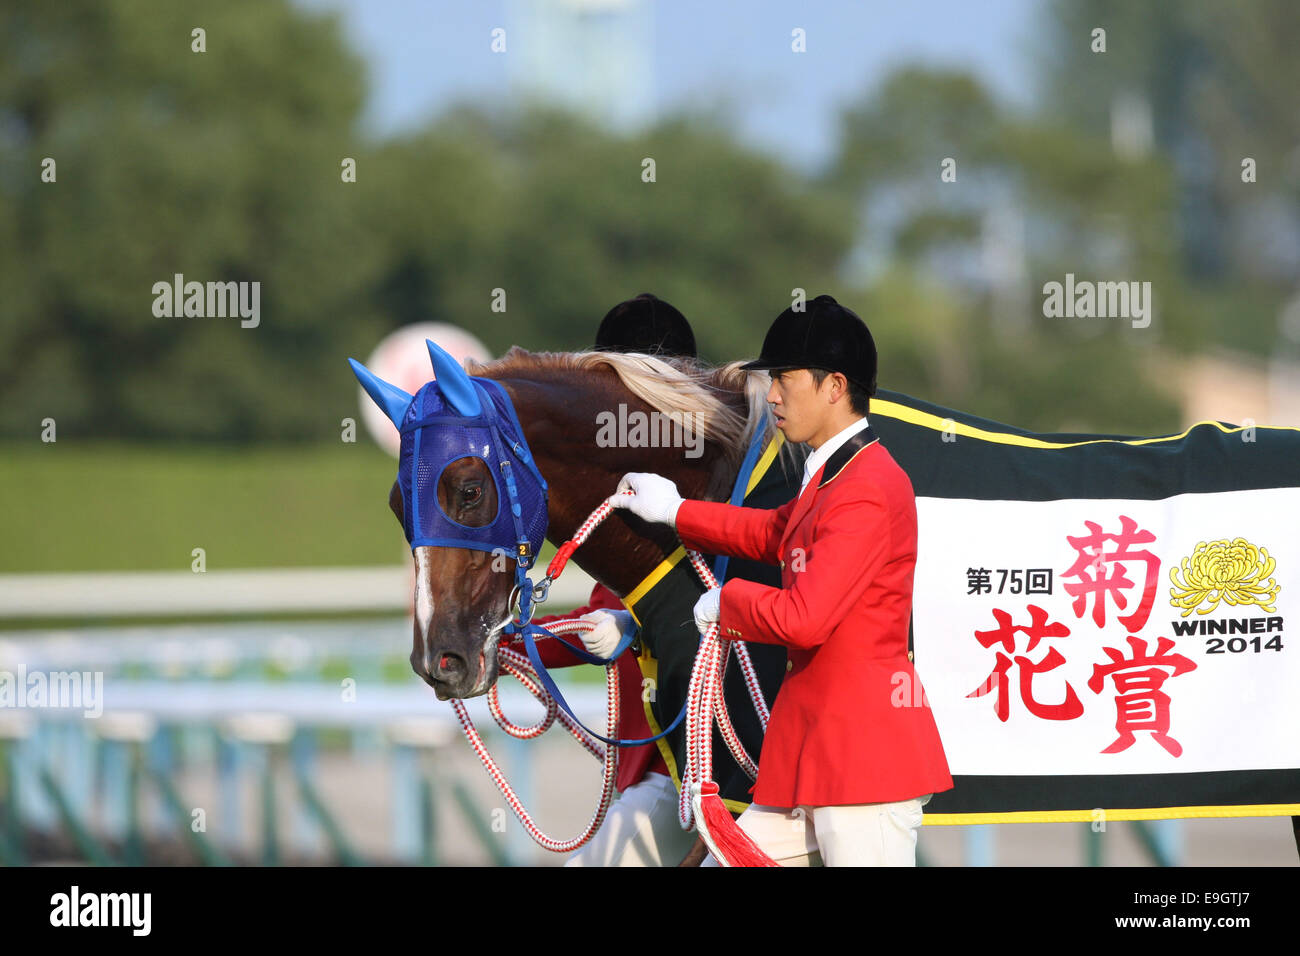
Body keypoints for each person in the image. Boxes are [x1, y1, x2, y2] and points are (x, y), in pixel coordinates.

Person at [610, 294, 954, 866]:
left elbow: (805, 616)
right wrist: (675, 512)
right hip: (810, 756)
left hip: (862, 763)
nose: (771, 395)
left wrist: (727, 603)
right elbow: (772, 533)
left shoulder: (867, 485)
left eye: (784, 380)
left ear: (834, 386)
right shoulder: (831, 476)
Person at [502, 293, 698, 867]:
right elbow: (592, 627)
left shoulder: (682, 495)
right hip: (660, 767)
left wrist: (634, 631)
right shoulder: (619, 499)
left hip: (684, 771)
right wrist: (505, 641)